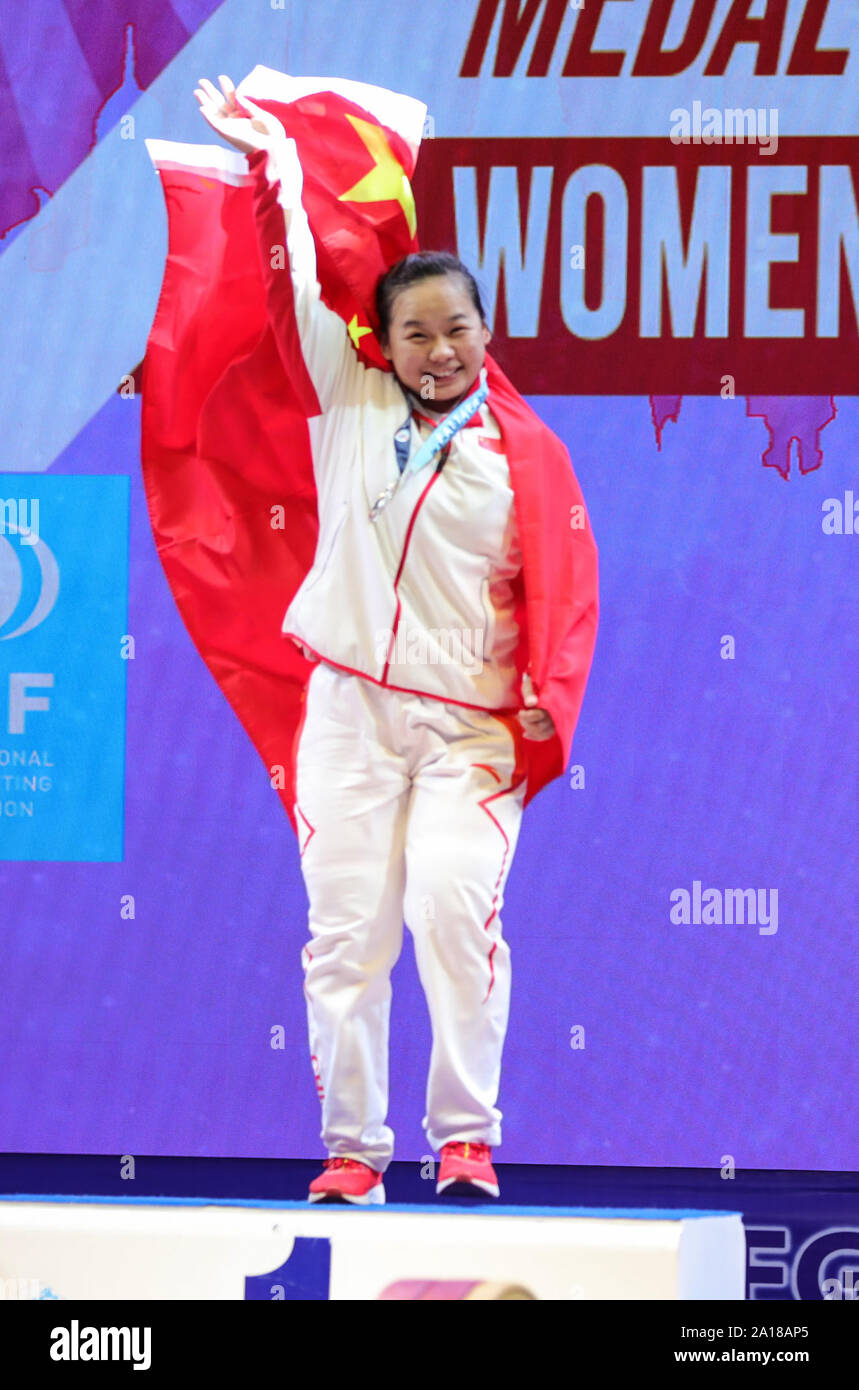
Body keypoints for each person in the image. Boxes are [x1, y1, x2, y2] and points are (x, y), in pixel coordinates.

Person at [194, 74, 598, 1205]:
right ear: (384, 338)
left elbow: (569, 601)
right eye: (414, 331)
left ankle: (464, 1140)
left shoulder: (526, 458)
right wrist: (274, 152)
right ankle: (353, 1153)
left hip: (466, 731)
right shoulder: (350, 397)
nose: (437, 350)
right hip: (348, 715)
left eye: (456, 329)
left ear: (484, 333)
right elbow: (293, 278)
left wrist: (543, 700)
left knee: (447, 908)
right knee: (348, 930)